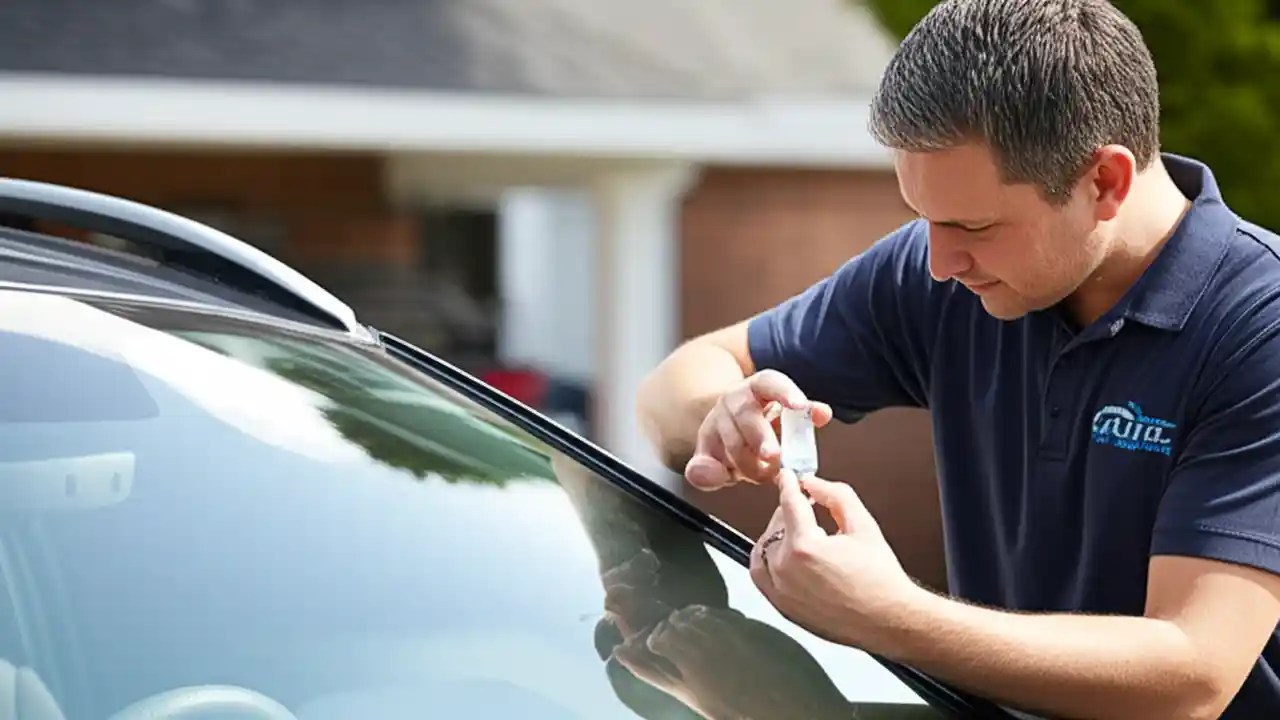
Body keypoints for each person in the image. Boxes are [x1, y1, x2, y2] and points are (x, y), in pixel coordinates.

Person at [635, 0, 1280, 717]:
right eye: (923, 220)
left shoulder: (1261, 327)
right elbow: (674, 385)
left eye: (974, 225)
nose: (941, 262)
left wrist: (888, 616)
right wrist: (724, 417)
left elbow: (1193, 676)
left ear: (1105, 182)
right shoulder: (941, 272)